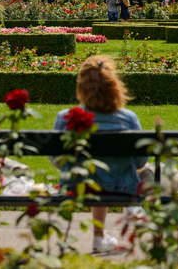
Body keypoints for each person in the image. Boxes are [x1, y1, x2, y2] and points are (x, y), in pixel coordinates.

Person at [52, 56, 145, 255]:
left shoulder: (65, 117)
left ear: (81, 86)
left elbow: (57, 159)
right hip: (122, 187)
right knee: (144, 170)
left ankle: (99, 237)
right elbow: (141, 160)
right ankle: (131, 210)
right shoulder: (128, 118)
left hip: (78, 186)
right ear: (114, 85)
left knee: (97, 176)